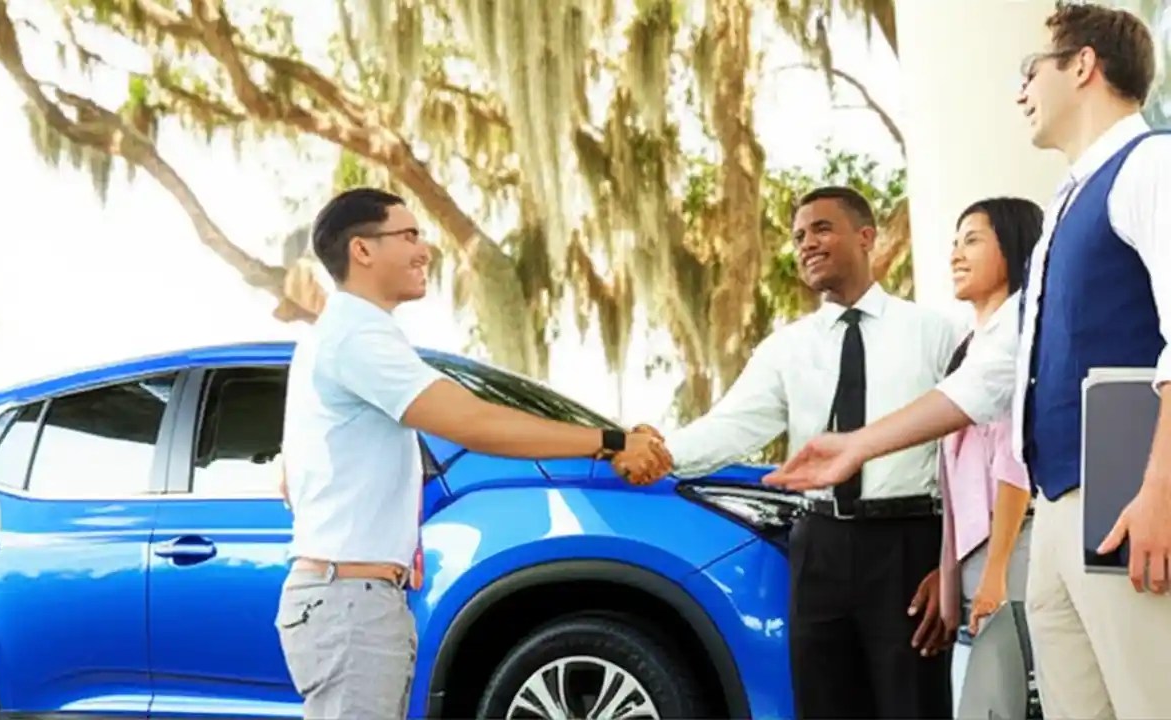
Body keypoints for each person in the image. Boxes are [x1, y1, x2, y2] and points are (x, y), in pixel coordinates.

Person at [765, 4, 1171, 719]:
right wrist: (856, 446)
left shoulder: (1152, 166)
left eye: (1030, 71)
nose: (1020, 92)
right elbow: (988, 380)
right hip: (1060, 516)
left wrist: (1160, 492)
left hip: (1124, 501)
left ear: (1082, 66)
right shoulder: (1064, 211)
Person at [276, 187, 669, 719]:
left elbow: (287, 480)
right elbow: (474, 422)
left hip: (350, 596)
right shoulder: (355, 336)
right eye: (409, 234)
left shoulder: (336, 338)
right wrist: (610, 441)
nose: (425, 249)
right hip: (350, 601)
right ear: (362, 250)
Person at [616, 186, 963, 719]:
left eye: (822, 229)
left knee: (912, 706)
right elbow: (731, 428)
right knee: (823, 705)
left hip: (908, 547)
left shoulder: (936, 333)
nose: (807, 244)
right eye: (799, 236)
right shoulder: (786, 348)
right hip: (819, 547)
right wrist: (650, 453)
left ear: (866, 237)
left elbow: (968, 447)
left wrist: (951, 563)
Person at [939, 197, 1042, 716]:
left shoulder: (1019, 341)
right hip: (979, 559)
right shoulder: (966, 348)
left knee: (1014, 700)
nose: (955, 253)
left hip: (1015, 548)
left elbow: (1014, 465)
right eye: (955, 241)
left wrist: (997, 570)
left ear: (1013, 248)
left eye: (972, 240)